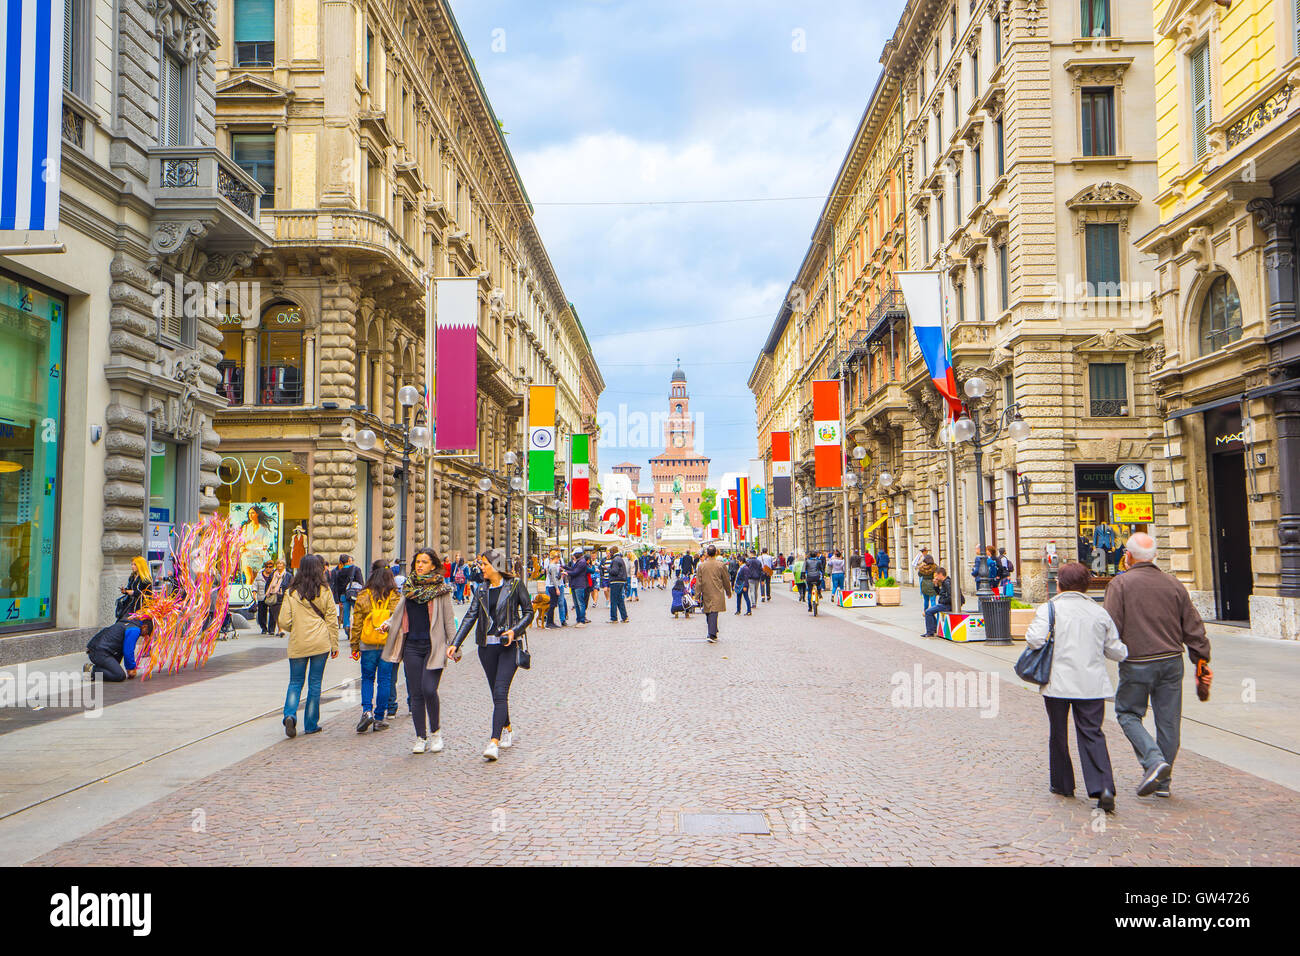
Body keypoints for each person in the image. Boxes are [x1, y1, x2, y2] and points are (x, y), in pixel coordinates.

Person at [1103, 533, 1212, 799]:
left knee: (1128, 713)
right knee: (1169, 722)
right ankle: (1163, 782)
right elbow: (1194, 628)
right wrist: (1201, 659)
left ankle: (1153, 762)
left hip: (1138, 662)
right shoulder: (1174, 584)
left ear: (1127, 556)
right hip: (1171, 662)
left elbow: (1110, 627)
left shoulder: (1120, 584)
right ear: (1154, 556)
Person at [1025, 562, 1128, 813]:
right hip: (1091, 684)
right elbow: (1116, 650)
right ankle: (1102, 787)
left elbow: (1034, 639)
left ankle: (1062, 783)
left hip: (1057, 683)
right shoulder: (1099, 612)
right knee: (1092, 733)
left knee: (1058, 732)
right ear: (1086, 584)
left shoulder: (1049, 609)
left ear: (1059, 583)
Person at [448, 548, 535, 761]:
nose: (481, 568)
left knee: (500, 691)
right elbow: (470, 616)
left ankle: (493, 742)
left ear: (496, 565)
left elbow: (529, 612)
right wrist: (455, 643)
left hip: (509, 646)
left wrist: (514, 630)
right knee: (496, 692)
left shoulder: (514, 585)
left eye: (484, 564)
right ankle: (508, 728)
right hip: (486, 647)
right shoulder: (481, 589)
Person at [381, 549, 456, 753]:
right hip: (412, 646)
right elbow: (399, 613)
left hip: (435, 646)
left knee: (429, 689)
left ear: (433, 565)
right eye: (417, 562)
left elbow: (449, 620)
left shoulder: (441, 590)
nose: (419, 565)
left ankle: (436, 732)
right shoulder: (408, 588)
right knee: (415, 693)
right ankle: (420, 737)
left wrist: (455, 644)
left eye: (424, 562)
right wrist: (388, 624)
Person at [277, 554, 340, 737]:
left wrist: (295, 627)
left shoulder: (291, 592)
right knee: (315, 683)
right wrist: (334, 644)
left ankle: (290, 715)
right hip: (321, 642)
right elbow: (331, 619)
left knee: (295, 682)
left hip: (298, 641)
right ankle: (311, 724)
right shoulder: (325, 590)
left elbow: (283, 620)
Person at [349, 564, 400, 734]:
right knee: (385, 680)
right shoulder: (394, 595)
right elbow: (399, 619)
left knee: (367, 679)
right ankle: (379, 718)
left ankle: (366, 711)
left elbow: (357, 622)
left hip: (367, 643)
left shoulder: (363, 594)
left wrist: (354, 645)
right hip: (387, 643)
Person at [83, 617, 153, 682]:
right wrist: (131, 668)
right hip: (99, 651)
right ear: (144, 626)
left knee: (115, 668)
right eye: (147, 633)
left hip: (99, 649)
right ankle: (91, 671)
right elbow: (128, 651)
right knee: (119, 675)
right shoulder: (134, 629)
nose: (145, 636)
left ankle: (98, 669)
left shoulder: (129, 623)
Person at [695, 545, 732, 643]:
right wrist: (728, 591)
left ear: (707, 553)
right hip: (717, 591)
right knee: (712, 612)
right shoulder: (721, 565)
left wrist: (697, 595)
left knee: (710, 612)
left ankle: (711, 632)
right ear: (716, 553)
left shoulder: (701, 566)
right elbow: (726, 580)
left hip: (706, 591)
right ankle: (712, 632)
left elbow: (698, 581)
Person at [330, 554, 365, 629]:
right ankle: (356, 626)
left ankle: (347, 627)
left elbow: (337, 586)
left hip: (343, 595)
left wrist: (338, 599)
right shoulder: (356, 569)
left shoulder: (339, 571)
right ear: (349, 561)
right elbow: (361, 582)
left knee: (346, 613)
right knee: (357, 611)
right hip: (354, 593)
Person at [262, 559, 291, 636]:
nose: (279, 565)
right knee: (276, 614)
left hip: (283, 597)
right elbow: (268, 585)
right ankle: (280, 629)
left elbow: (291, 585)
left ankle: (281, 629)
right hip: (274, 597)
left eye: (281, 563)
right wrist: (267, 593)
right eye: (278, 563)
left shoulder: (288, 575)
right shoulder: (273, 575)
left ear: (284, 565)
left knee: (282, 614)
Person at [922, 567, 951, 637]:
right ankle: (933, 629)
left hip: (946, 605)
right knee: (929, 611)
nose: (936, 577)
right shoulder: (944, 582)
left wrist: (942, 601)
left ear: (940, 574)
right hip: (944, 604)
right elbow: (940, 593)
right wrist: (936, 585)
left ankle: (930, 632)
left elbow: (950, 596)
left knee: (928, 612)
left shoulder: (947, 583)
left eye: (936, 575)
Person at [607, 545, 630, 623]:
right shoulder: (620, 558)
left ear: (612, 552)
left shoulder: (615, 560)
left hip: (615, 581)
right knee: (620, 600)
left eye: (610, 553)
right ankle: (624, 617)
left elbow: (614, 571)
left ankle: (614, 618)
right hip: (621, 581)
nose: (609, 554)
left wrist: (608, 569)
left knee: (613, 600)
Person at [567, 550, 590, 627]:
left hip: (579, 584)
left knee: (580, 603)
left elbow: (575, 572)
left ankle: (582, 620)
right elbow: (573, 570)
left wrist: (566, 572)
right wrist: (564, 567)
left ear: (577, 554)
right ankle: (578, 619)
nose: (572, 556)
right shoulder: (579, 561)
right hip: (575, 584)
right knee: (576, 604)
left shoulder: (581, 562)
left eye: (573, 555)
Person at [544, 551, 566, 628]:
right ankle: (549, 622)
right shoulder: (553, 566)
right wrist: (557, 589)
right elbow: (554, 579)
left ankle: (550, 622)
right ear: (555, 558)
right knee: (552, 605)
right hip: (553, 587)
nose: (558, 560)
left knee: (552, 605)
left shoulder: (551, 566)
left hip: (552, 586)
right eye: (558, 558)